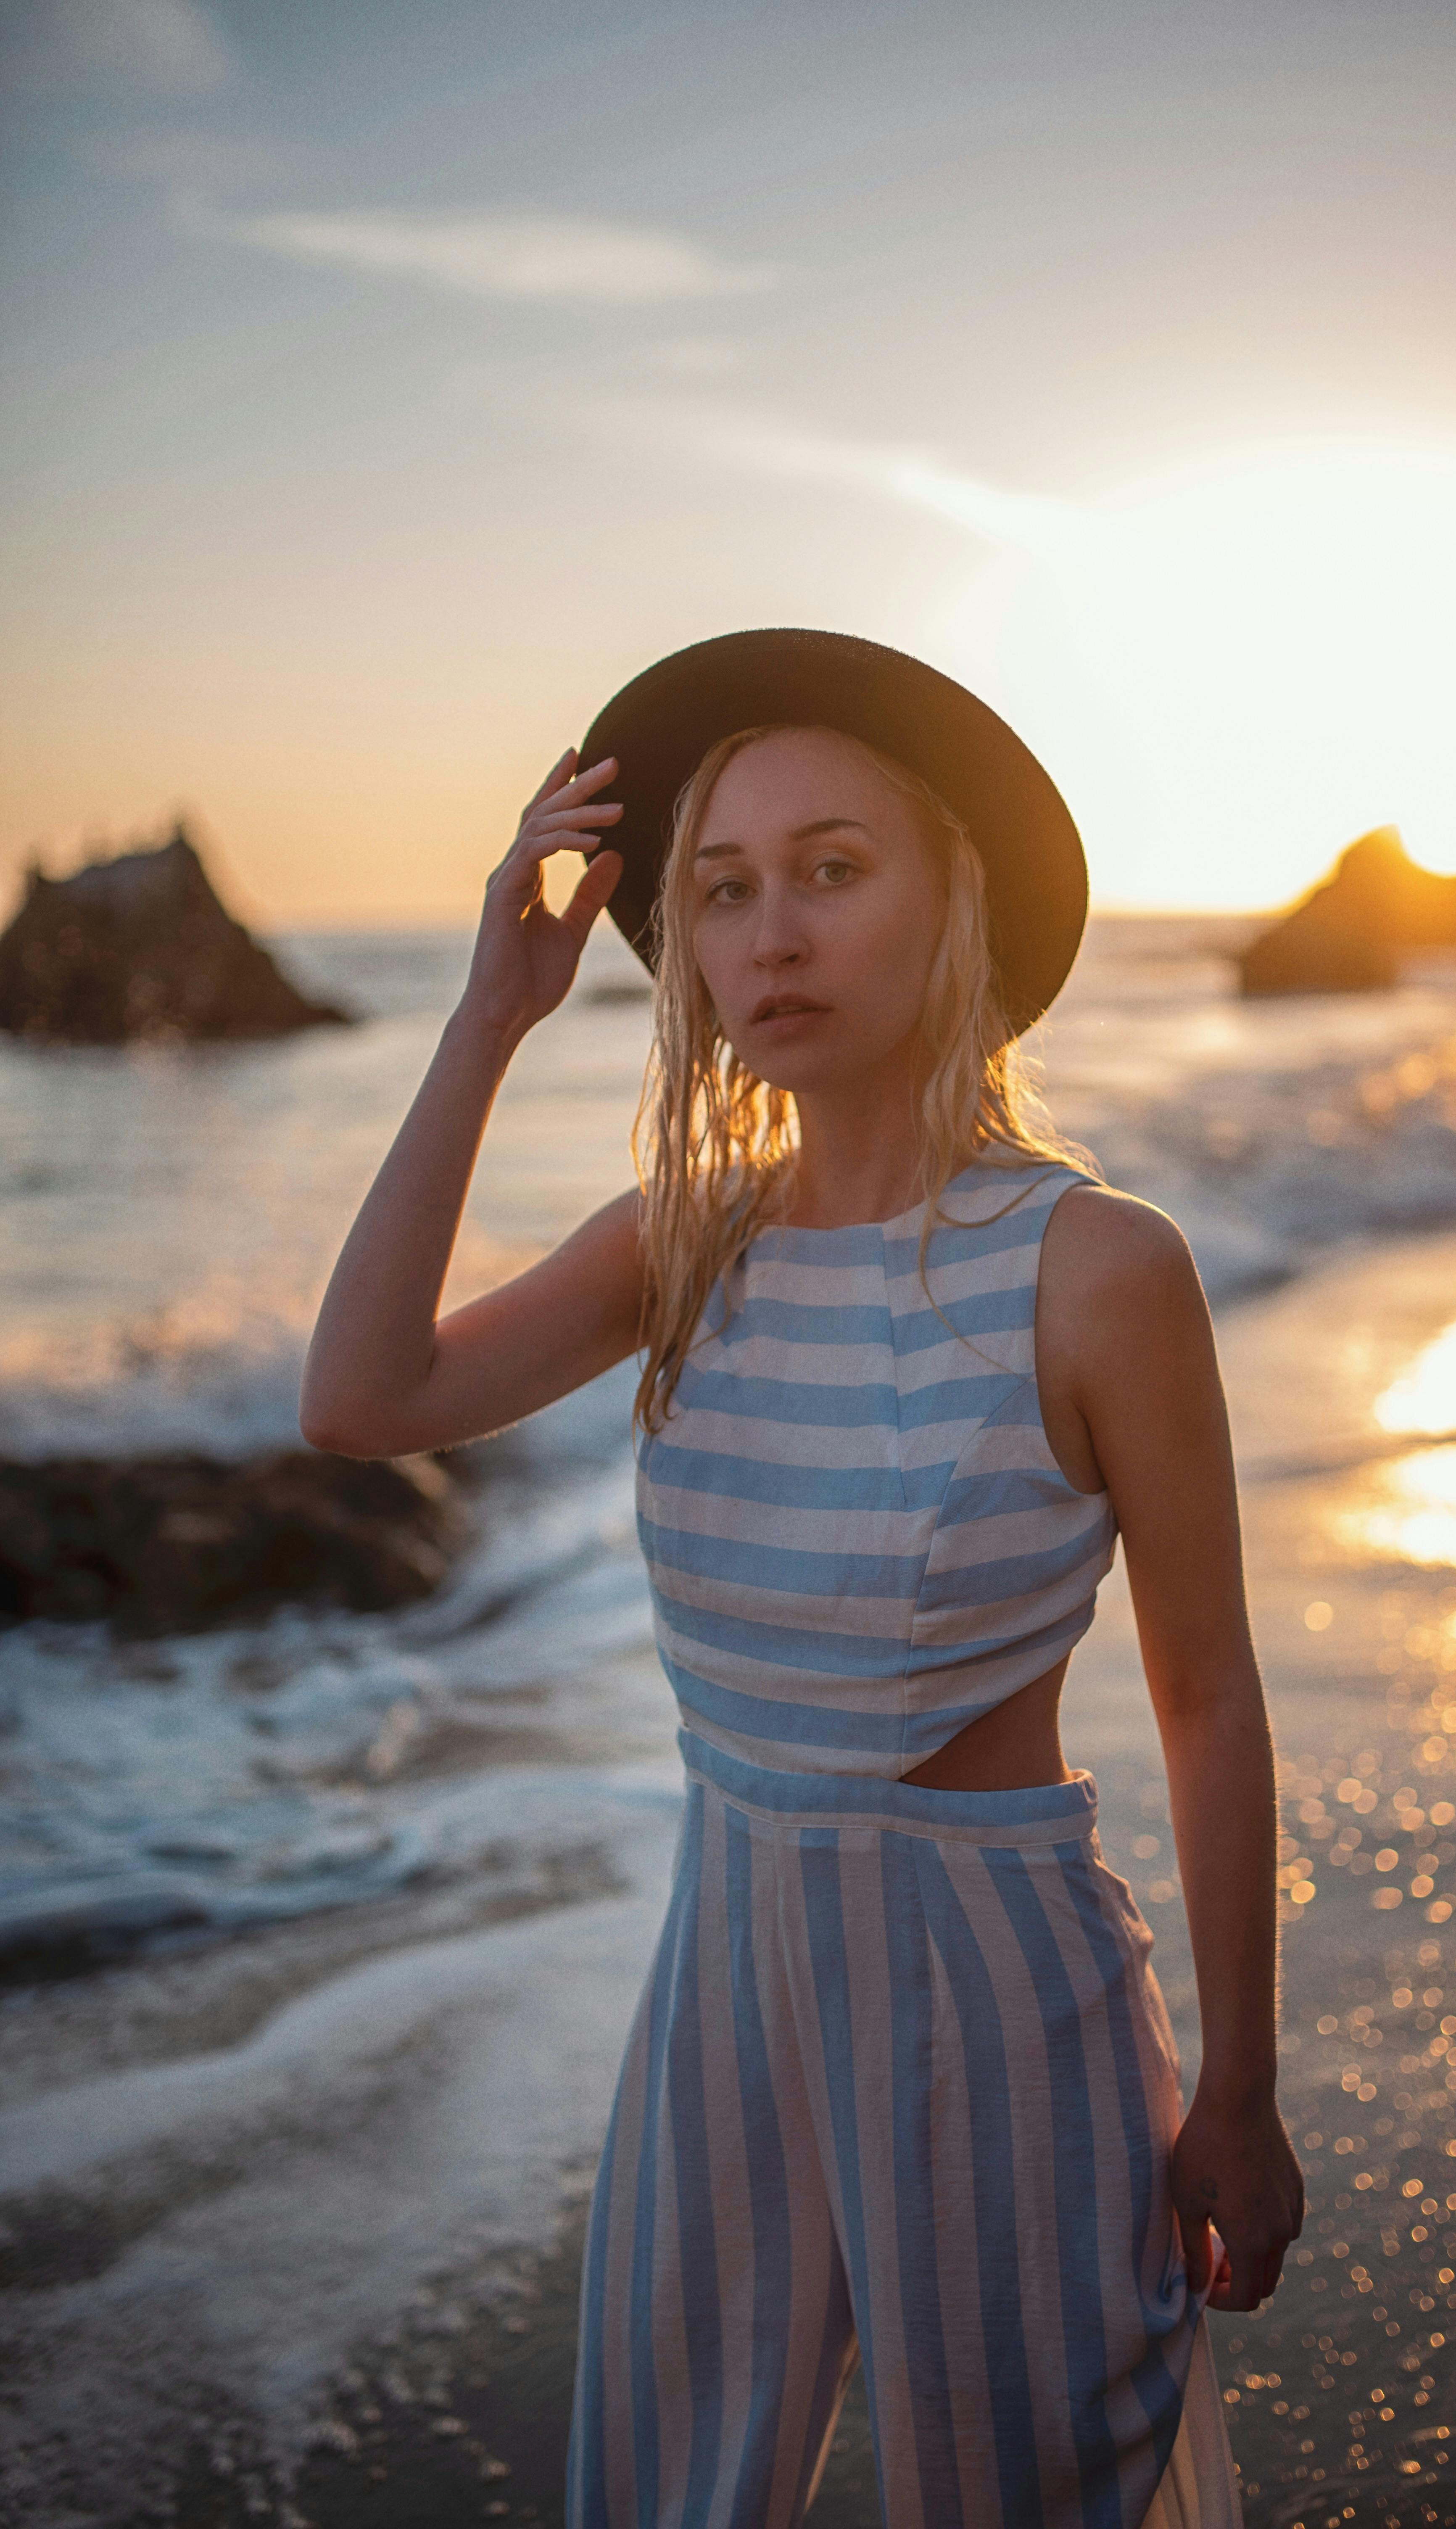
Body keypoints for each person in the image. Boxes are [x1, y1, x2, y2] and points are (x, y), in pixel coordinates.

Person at [301, 630, 1303, 2528]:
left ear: (955, 903)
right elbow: (362, 1397)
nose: (768, 936)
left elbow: (1205, 1693)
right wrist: (488, 1017)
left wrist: (1236, 2088)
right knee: (667, 2487)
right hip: (725, 1962)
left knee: (1027, 2495)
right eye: (720, 890)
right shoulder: (685, 1239)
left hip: (988, 1982)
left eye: (832, 872)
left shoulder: (1093, 1265)